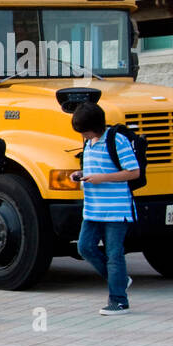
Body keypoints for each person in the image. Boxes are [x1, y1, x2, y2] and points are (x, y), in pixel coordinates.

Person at [68, 102, 139, 315]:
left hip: (116, 209)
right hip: (93, 209)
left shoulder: (117, 141)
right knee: (84, 247)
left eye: (85, 131)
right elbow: (95, 168)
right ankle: (120, 280)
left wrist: (102, 178)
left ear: (96, 126)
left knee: (114, 254)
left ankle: (119, 300)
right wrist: (80, 174)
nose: (83, 135)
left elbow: (133, 172)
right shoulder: (88, 143)